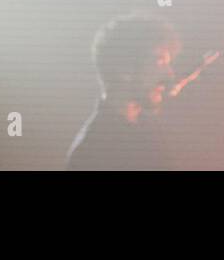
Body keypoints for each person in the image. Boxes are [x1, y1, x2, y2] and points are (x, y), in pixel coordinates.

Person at [66, 13, 180, 170]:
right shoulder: (91, 153)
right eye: (159, 61)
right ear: (124, 70)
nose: (169, 74)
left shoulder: (149, 129)